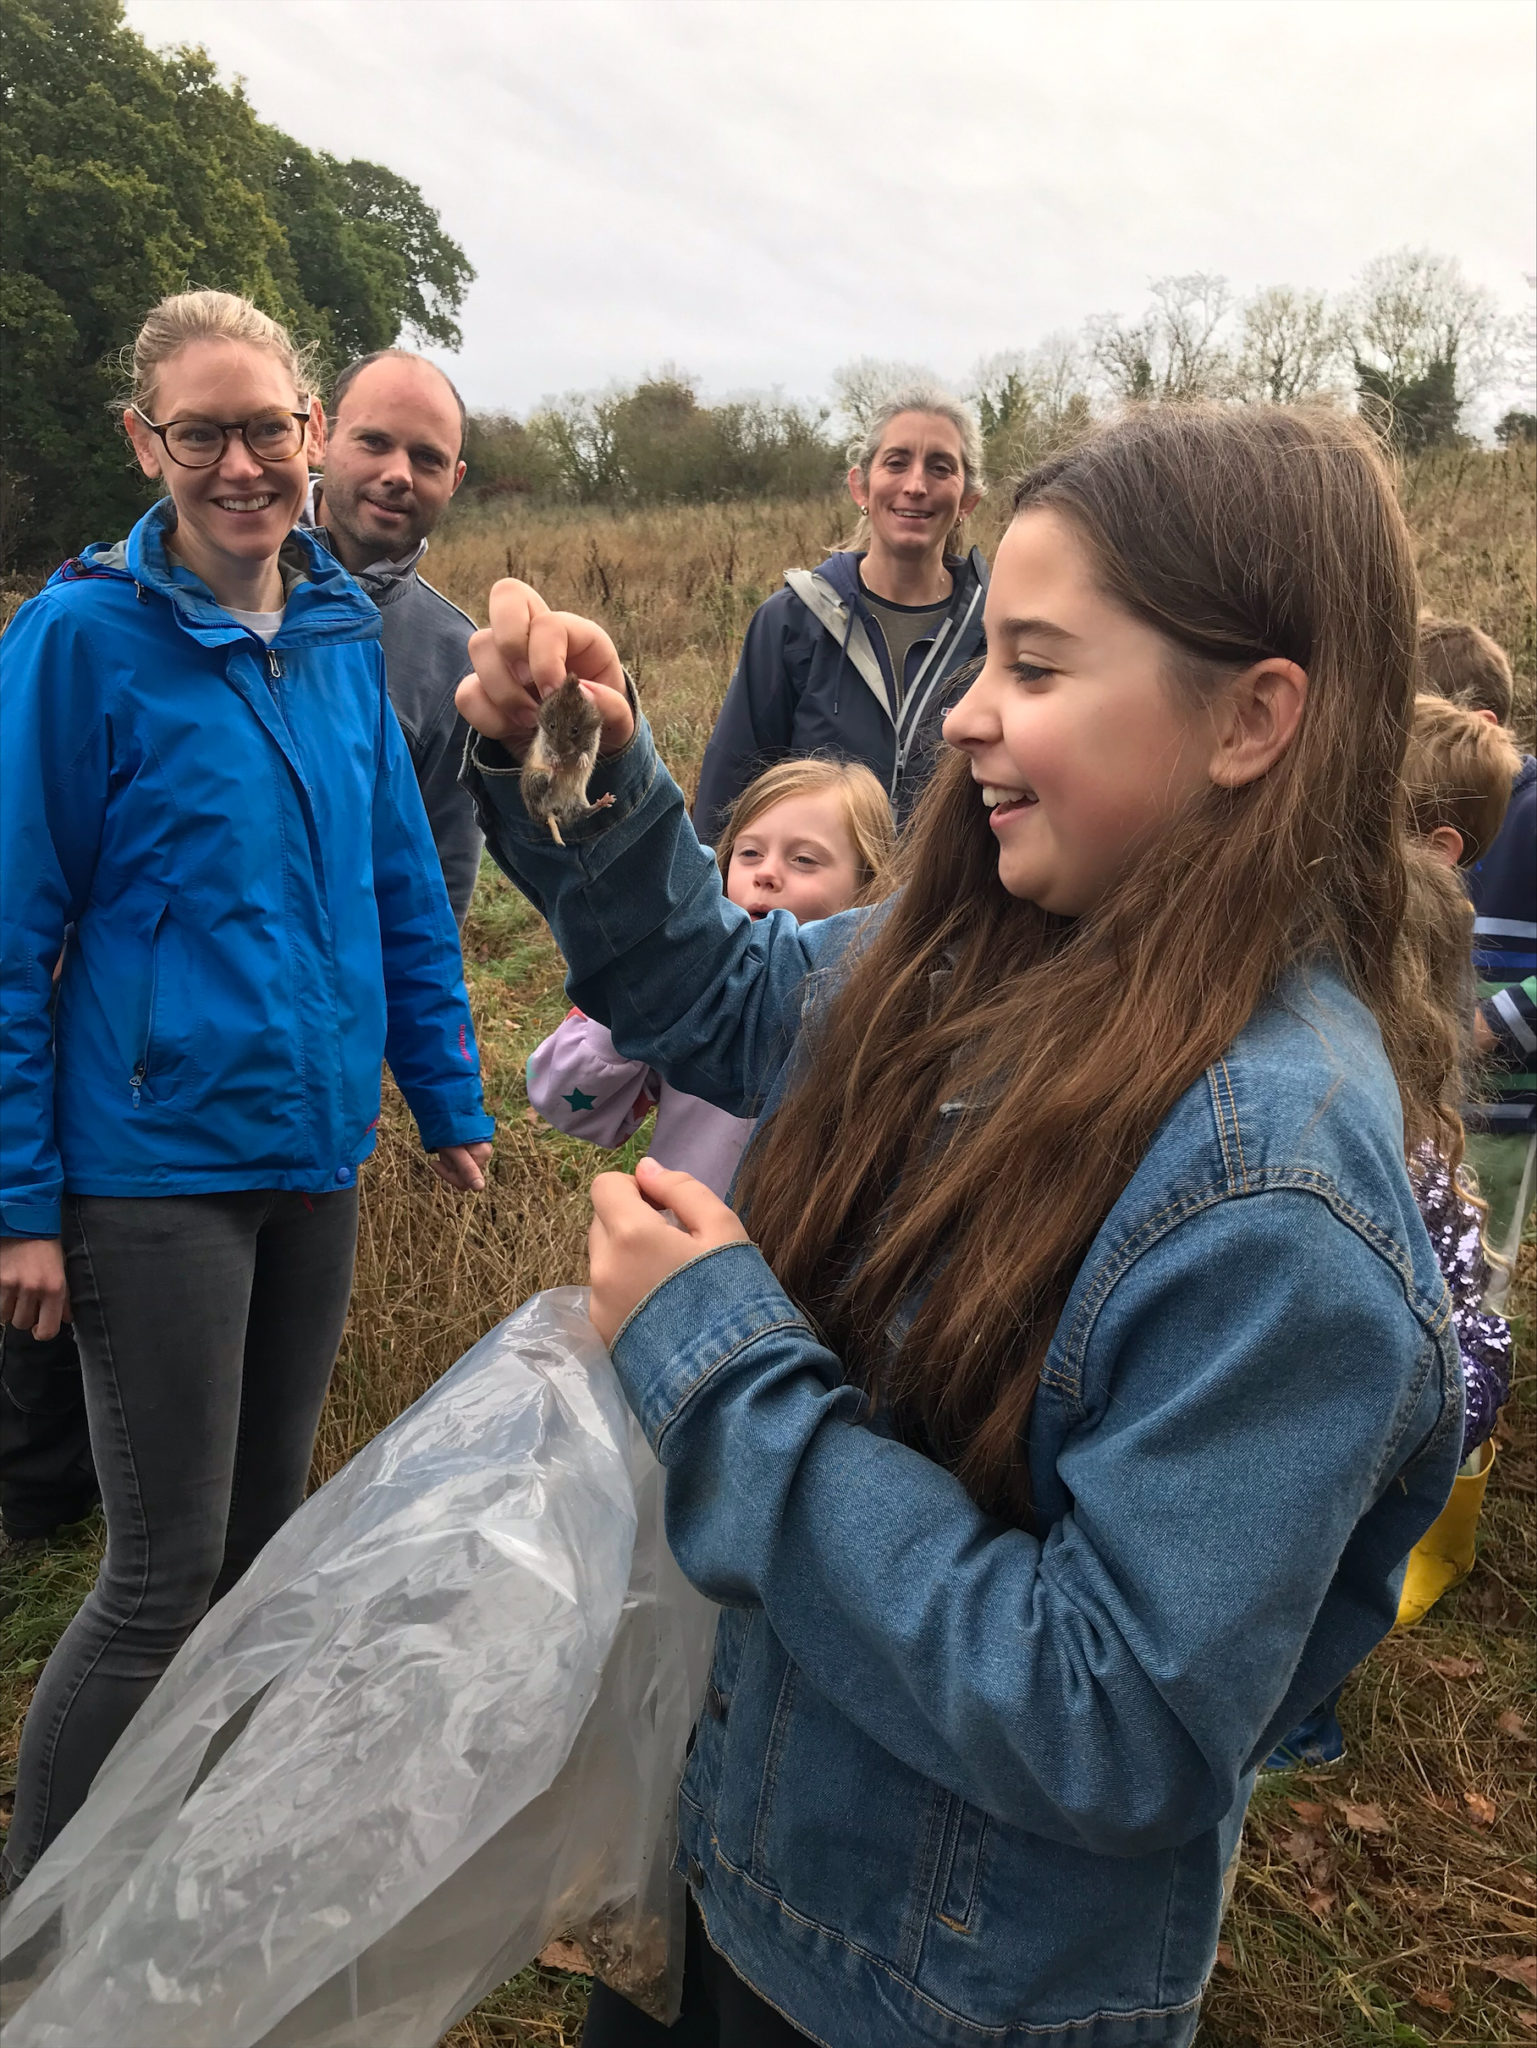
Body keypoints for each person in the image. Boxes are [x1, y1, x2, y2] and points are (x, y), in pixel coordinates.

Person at [457, 404, 1463, 2048]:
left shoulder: (1277, 1196)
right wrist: (574, 762)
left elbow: (1109, 1712)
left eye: (1040, 669)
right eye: (984, 657)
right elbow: (713, 990)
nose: (968, 718)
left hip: (937, 1996)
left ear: (1250, 719)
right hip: (736, 1856)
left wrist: (714, 1362)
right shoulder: (988, 952)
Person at [0, 289, 494, 1882]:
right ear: (147, 442)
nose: (239, 465)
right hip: (146, 1170)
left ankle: (177, 1862)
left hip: (312, 1149)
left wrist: (448, 1092)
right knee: (158, 1574)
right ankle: (37, 1918)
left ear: (305, 435)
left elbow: (400, 882)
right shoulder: (79, 640)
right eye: (199, 434)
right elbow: (12, 933)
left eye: (265, 428)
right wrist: (20, 1206)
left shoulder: (344, 633)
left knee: (266, 1549)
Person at [1266, 694, 1518, 1769]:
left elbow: (1445, 1306)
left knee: (1312, 1558)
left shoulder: (1390, 1014)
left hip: (1393, 1380)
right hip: (1397, 1365)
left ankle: (1305, 1723)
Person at [528, 759, 893, 1198]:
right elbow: (565, 1105)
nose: (766, 873)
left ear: (868, 886)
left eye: (804, 859)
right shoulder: (693, 984)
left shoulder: (881, 1010)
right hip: (676, 1250)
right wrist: (634, 999)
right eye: (750, 853)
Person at [690, 384, 988, 842]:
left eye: (940, 467)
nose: (915, 485)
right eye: (896, 462)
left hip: (947, 911)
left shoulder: (995, 634)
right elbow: (727, 795)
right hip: (813, 913)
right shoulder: (788, 622)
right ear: (860, 486)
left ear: (968, 498)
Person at [306, 348, 485, 926]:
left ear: (454, 480)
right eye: (374, 442)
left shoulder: (456, 658)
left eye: (427, 458)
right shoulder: (208, 575)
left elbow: (436, 887)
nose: (398, 474)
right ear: (319, 434)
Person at [1416, 615, 1535, 1298]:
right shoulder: (1424, 809)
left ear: (1478, 726)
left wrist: (1499, 1022)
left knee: (1476, 1271)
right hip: (1427, 1103)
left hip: (1500, 1117)